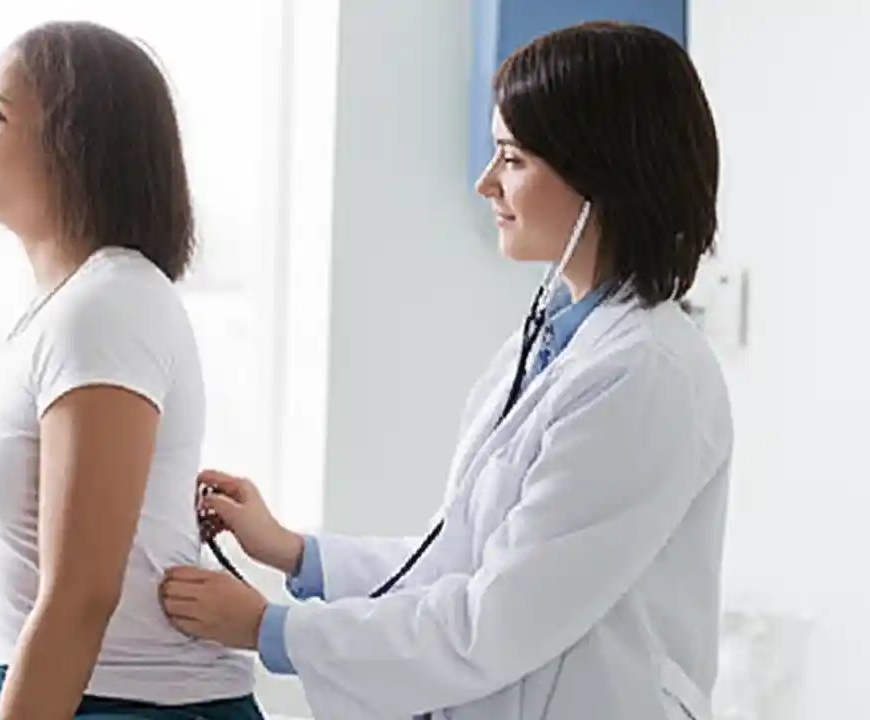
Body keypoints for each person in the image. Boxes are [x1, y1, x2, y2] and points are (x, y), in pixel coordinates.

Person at [159, 21, 731, 720]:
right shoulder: (551, 344)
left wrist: (268, 630)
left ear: (602, 172)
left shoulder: (643, 375)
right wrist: (292, 551)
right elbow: (455, 556)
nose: (485, 182)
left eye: (512, 159)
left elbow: (494, 621)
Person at [0, 21, 262, 720]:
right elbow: (21, 577)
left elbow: (82, 593)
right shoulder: (62, 308)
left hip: (139, 704)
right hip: (59, 683)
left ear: (75, 144)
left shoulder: (109, 308)